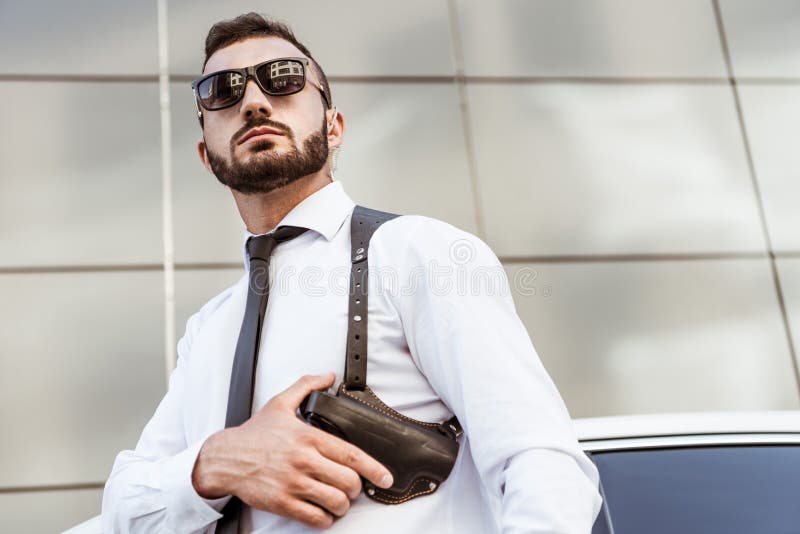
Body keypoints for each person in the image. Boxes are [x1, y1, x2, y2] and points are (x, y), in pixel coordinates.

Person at [102, 12, 601, 534]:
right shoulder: (207, 329)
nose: (253, 102)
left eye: (283, 79)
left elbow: (542, 463)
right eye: (222, 92)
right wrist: (216, 463)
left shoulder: (417, 253)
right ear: (207, 156)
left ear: (333, 127)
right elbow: (122, 511)